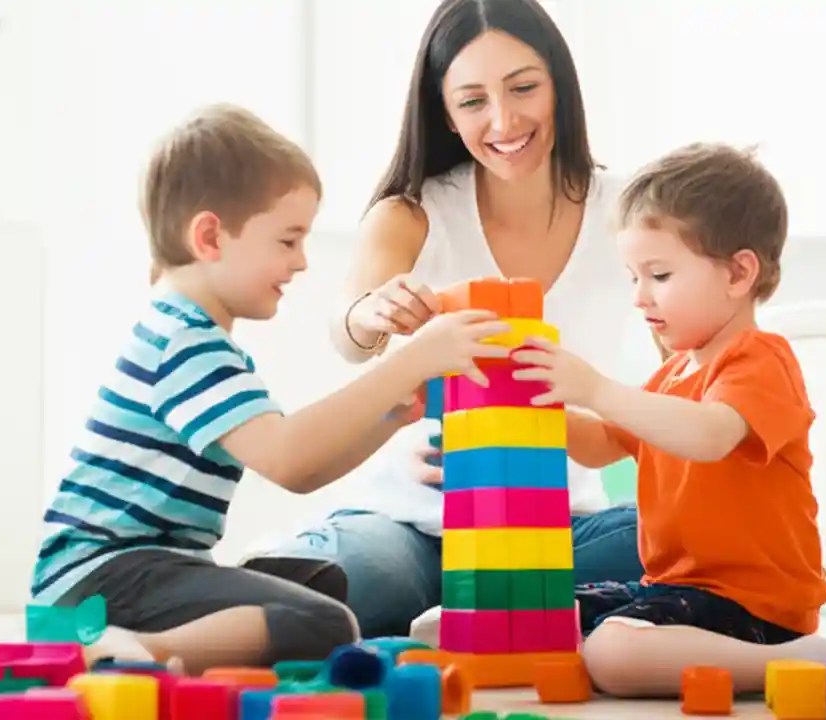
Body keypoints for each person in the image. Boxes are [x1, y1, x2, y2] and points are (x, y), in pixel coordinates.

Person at [29, 103, 514, 674]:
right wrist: (407, 365)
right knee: (325, 622)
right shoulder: (184, 341)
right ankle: (126, 650)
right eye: (287, 241)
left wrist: (391, 418)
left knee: (324, 586)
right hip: (98, 580)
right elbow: (287, 455)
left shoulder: (193, 335)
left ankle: (185, 638)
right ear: (210, 236)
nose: (302, 262)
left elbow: (302, 472)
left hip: (129, 572)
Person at [255, 0, 652, 639]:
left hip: (557, 526)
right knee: (353, 583)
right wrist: (372, 313)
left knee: (671, 540)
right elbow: (350, 329)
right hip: (411, 520)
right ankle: (420, 598)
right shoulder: (411, 212)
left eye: (524, 88)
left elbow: (683, 356)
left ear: (560, 84)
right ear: (444, 111)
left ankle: (478, 612)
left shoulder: (625, 211)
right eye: (472, 102)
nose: (504, 120)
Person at [513, 142, 826, 696]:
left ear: (739, 273)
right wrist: (526, 408)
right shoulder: (669, 378)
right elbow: (597, 445)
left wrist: (595, 386)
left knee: (613, 654)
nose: (639, 297)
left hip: (756, 608)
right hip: (674, 592)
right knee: (518, 615)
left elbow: (710, 434)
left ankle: (797, 661)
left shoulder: (761, 359)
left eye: (658, 275)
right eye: (632, 277)